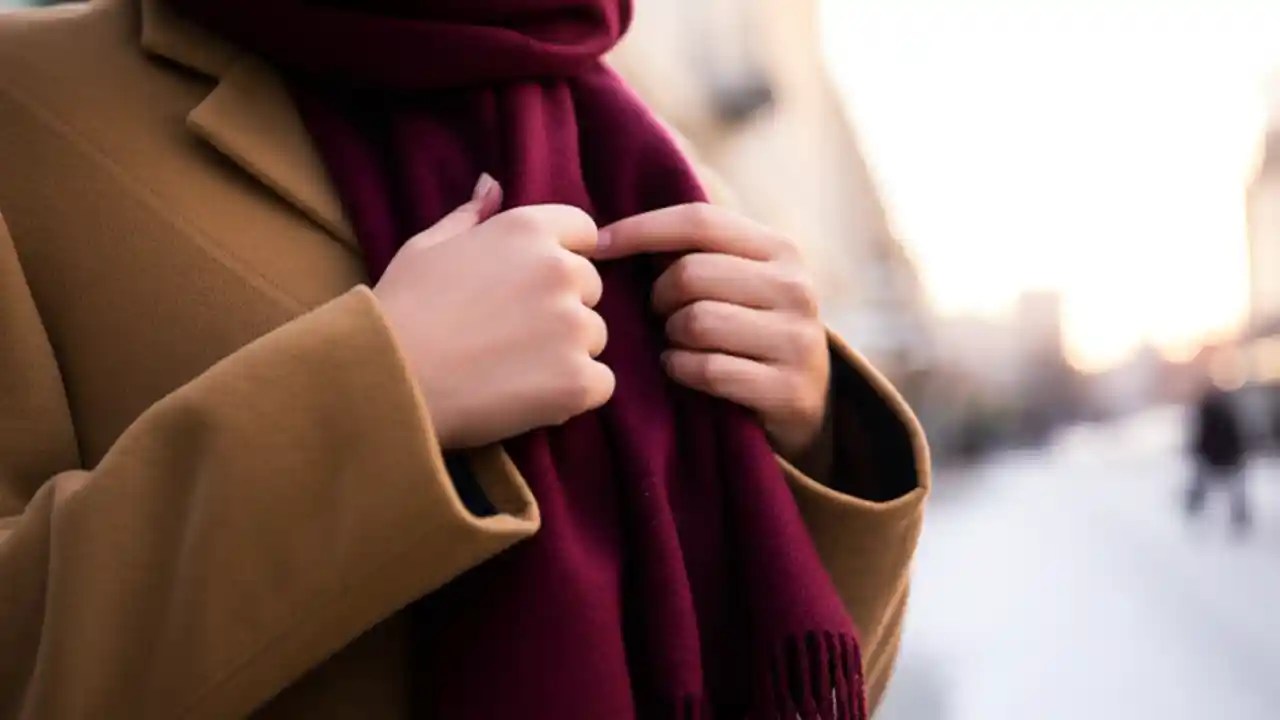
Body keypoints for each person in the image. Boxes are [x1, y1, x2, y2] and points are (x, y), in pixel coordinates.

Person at [0, 0, 929, 717]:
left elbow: (795, 681)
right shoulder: (29, 105)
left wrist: (812, 432)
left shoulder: (636, 141)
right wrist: (384, 390)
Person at [1186, 382, 1250, 533]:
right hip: (1225, 458)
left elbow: (1201, 437)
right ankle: (1238, 518)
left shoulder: (1208, 411)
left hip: (1221, 457)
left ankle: (1194, 510)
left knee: (1231, 490)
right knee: (1233, 491)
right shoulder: (1226, 411)